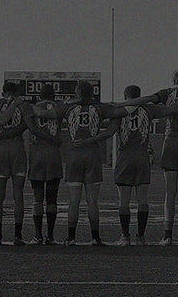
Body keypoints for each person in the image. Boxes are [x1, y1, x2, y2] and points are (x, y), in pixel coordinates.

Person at [119, 69, 178, 246]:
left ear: (173, 79)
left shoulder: (165, 93)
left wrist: (123, 103)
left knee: (170, 193)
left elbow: (147, 99)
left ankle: (167, 235)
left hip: (171, 144)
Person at [34, 80, 118, 245]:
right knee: (93, 201)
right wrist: (94, 139)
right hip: (93, 154)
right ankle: (95, 237)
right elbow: (113, 128)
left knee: (74, 200)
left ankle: (71, 237)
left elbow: (41, 113)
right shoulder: (100, 107)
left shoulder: (67, 107)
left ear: (77, 93)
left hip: (74, 155)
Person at [110, 86, 174, 245]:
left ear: (126, 96)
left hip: (125, 157)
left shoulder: (120, 110)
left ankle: (125, 237)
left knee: (123, 200)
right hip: (142, 157)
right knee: (142, 199)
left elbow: (109, 128)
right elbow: (169, 110)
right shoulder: (149, 110)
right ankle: (141, 236)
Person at [0, 82, 32, 246]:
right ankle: (17, 236)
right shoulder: (24, 106)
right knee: (18, 194)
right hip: (17, 150)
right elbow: (24, 126)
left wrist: (0, 137)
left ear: (2, 92)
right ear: (16, 92)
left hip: (0, 151)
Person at [28, 84, 65, 244]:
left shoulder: (33, 108)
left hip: (37, 155)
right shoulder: (59, 108)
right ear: (54, 95)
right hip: (54, 156)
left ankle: (37, 235)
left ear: (40, 96)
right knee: (52, 199)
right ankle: (50, 236)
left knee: (37, 198)